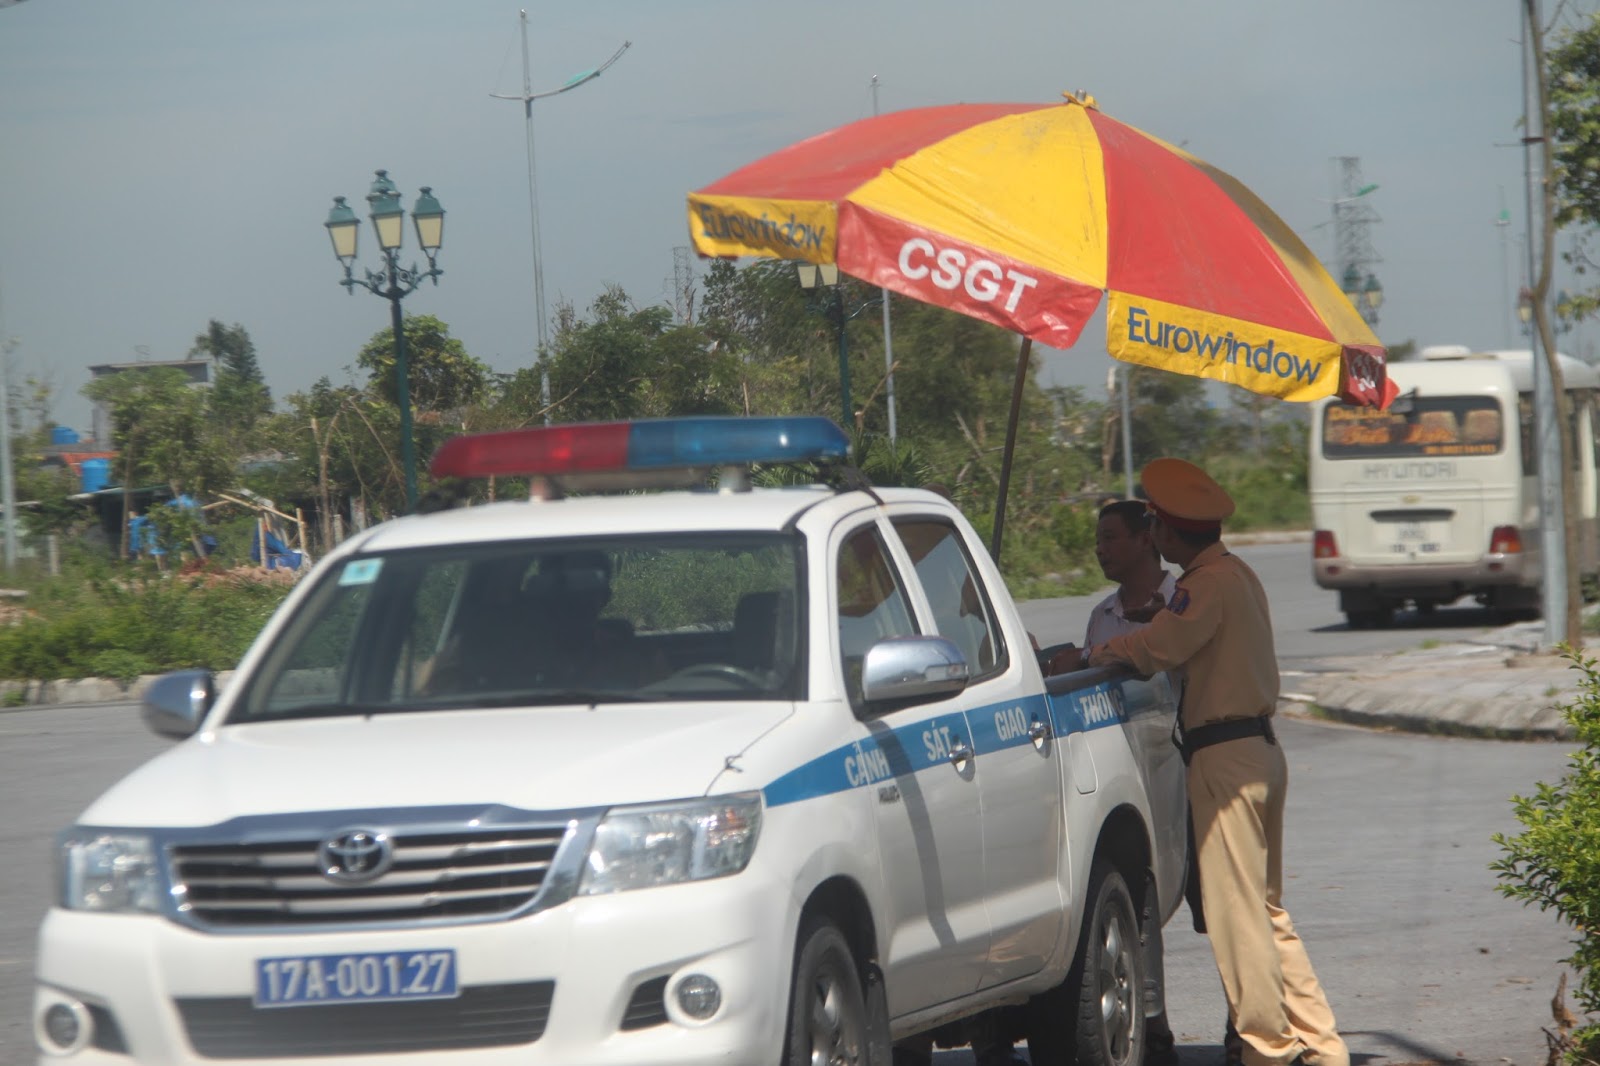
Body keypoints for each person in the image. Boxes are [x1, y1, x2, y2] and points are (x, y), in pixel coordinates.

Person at [1083, 457, 1347, 1066]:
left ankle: (1267, 1048)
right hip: (1256, 750)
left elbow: (1159, 647)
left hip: (1225, 758)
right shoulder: (1235, 574)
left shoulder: (1205, 586)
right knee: (1266, 910)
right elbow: (1179, 632)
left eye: (1156, 528)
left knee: (1236, 916)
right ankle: (1322, 1045)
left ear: (1168, 532)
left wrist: (1102, 649)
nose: (1155, 538)